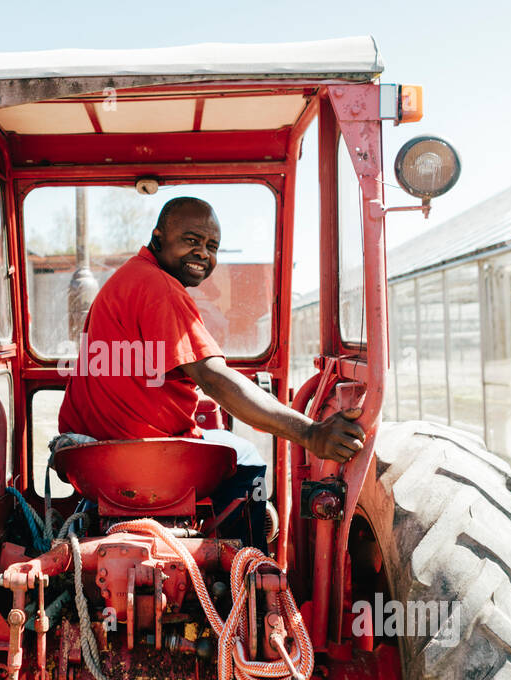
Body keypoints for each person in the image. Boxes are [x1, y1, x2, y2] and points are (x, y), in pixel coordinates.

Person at [57, 195, 364, 536]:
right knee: (245, 455)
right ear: (158, 238)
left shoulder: (125, 282)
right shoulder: (160, 289)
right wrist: (310, 432)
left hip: (94, 457)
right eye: (191, 240)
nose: (203, 253)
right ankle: (244, 567)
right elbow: (213, 378)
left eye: (212, 245)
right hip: (144, 454)